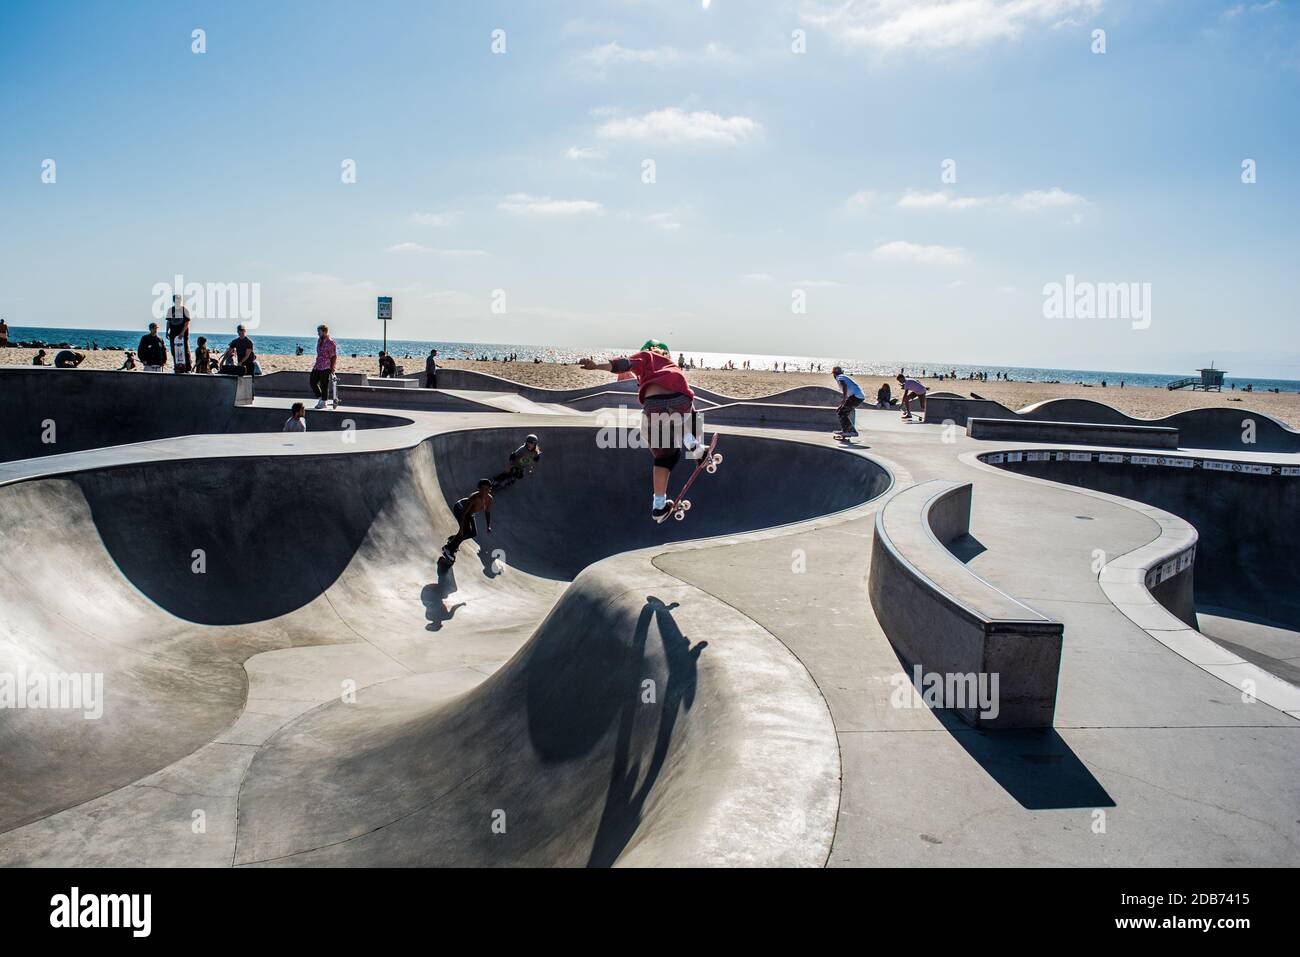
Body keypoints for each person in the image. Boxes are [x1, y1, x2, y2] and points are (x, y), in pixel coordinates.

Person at [580, 340, 701, 522]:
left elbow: (621, 364)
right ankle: (694, 445)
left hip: (652, 408)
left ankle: (658, 506)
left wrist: (597, 365)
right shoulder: (672, 365)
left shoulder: (644, 357)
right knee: (687, 412)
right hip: (680, 401)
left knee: (665, 457)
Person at [440, 479, 493, 566]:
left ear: (489, 490)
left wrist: (488, 526)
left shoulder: (489, 499)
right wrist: (461, 529)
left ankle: (453, 540)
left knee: (473, 533)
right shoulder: (474, 498)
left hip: (470, 513)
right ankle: (448, 548)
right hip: (460, 509)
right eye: (482, 489)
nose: (484, 492)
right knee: (465, 531)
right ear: (478, 489)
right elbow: (464, 513)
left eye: (486, 489)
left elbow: (487, 512)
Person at [831, 366, 865, 437]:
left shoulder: (839, 377)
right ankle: (845, 430)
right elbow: (850, 391)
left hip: (856, 397)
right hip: (857, 396)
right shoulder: (843, 376)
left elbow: (844, 385)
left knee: (842, 413)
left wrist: (844, 398)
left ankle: (852, 431)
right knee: (841, 411)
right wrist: (842, 404)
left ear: (834, 374)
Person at [311, 324, 337, 409]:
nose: (318, 333)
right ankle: (321, 398)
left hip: (326, 366)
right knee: (312, 381)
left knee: (324, 385)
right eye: (318, 331)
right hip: (318, 365)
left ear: (325, 332)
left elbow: (333, 356)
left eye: (319, 332)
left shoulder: (330, 342)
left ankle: (323, 402)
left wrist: (332, 368)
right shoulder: (319, 340)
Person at [165, 294, 192, 373]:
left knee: (185, 350)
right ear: (173, 301)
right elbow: (168, 321)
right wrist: (167, 332)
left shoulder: (184, 310)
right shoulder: (171, 310)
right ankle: (176, 366)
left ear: (180, 300)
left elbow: (187, 322)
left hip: (183, 334)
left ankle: (187, 368)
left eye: (179, 299)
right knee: (174, 351)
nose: (177, 301)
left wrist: (182, 333)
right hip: (173, 333)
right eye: (176, 299)